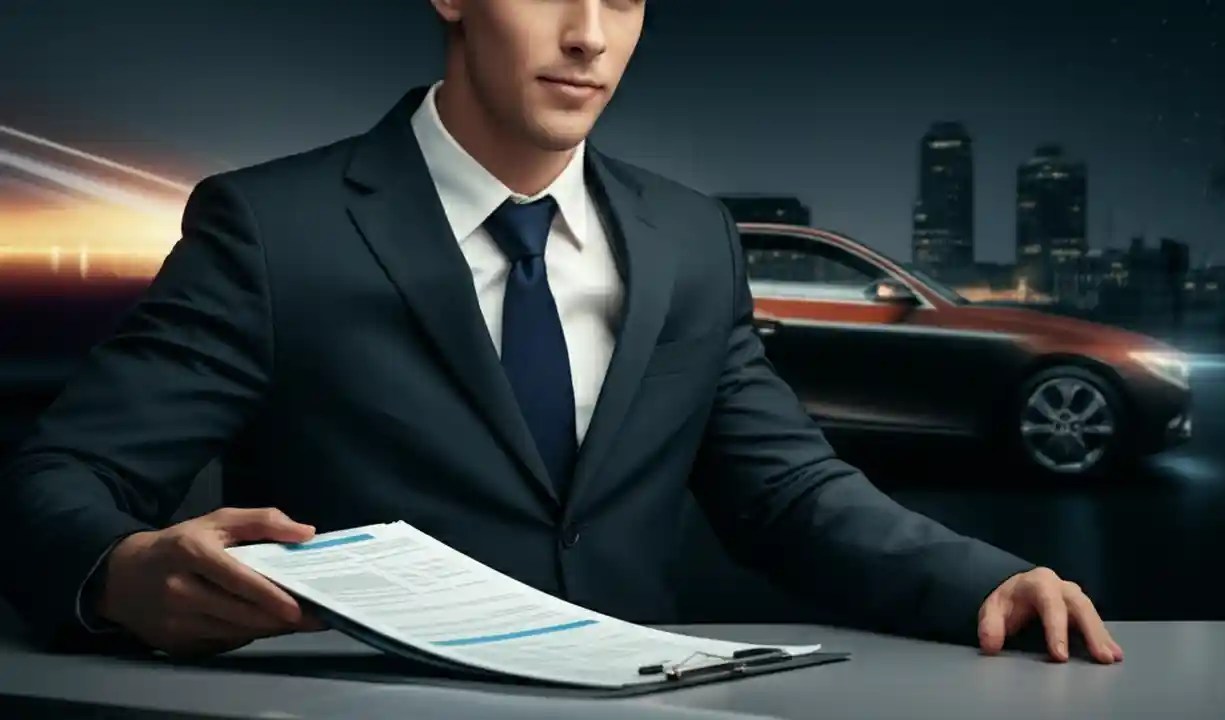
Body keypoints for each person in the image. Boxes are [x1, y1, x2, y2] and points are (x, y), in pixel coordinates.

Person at [0, 0, 1122, 665]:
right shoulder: (272, 227)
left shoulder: (688, 238)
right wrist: (118, 571)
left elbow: (781, 492)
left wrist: (980, 581)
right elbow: (58, 477)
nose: (588, 37)